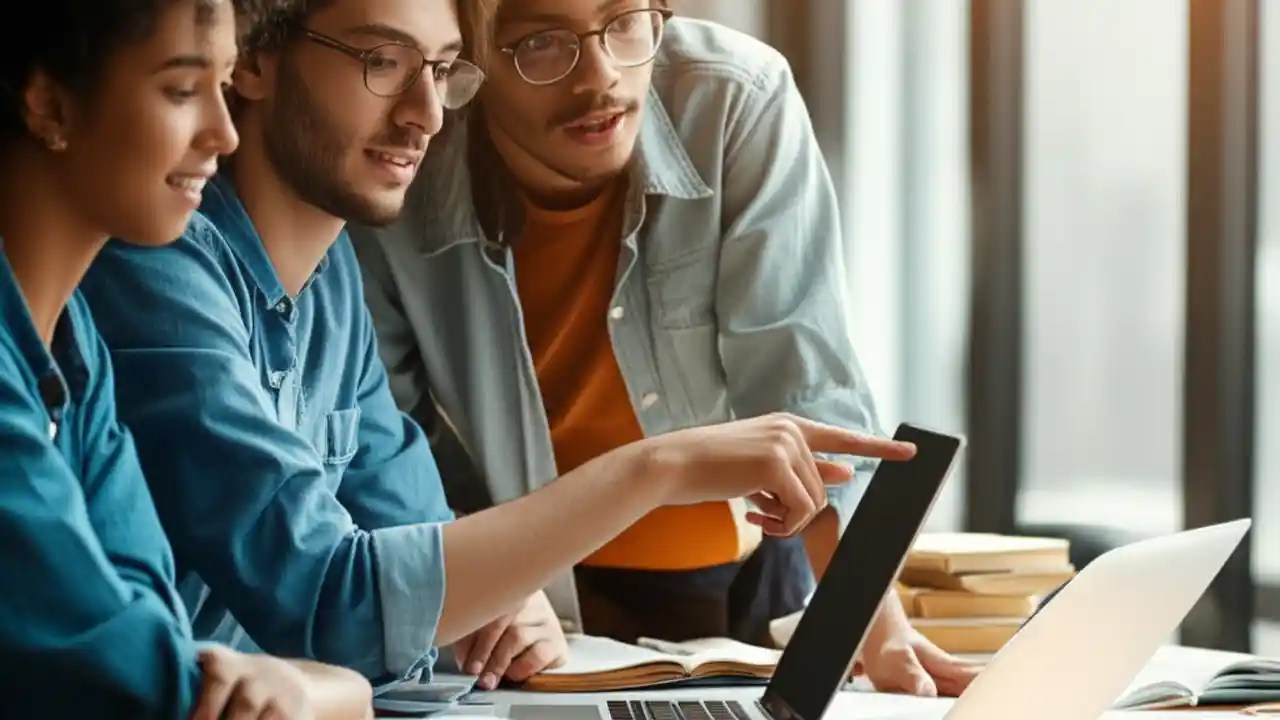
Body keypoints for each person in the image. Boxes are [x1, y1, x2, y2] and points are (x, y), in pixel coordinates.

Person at [77, 0, 917, 696]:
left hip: (715, 585)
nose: (427, 116)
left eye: (443, 71)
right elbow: (329, 598)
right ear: (249, 60)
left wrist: (492, 601)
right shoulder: (158, 266)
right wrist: (657, 468)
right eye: (382, 62)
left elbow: (408, 523)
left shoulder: (329, 272)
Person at [349, 0, 978, 698]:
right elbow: (386, 437)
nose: (601, 78)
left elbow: (799, 379)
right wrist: (472, 577)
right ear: (467, 58)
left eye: (624, 20)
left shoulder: (733, 99)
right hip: (529, 600)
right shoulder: (405, 151)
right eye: (541, 42)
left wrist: (872, 623)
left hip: (742, 584)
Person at [0, 0, 373, 716]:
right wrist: (341, 689)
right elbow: (149, 687)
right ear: (48, 101)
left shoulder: (75, 348)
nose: (224, 134)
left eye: (224, 85)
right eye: (180, 89)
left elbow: (158, 629)